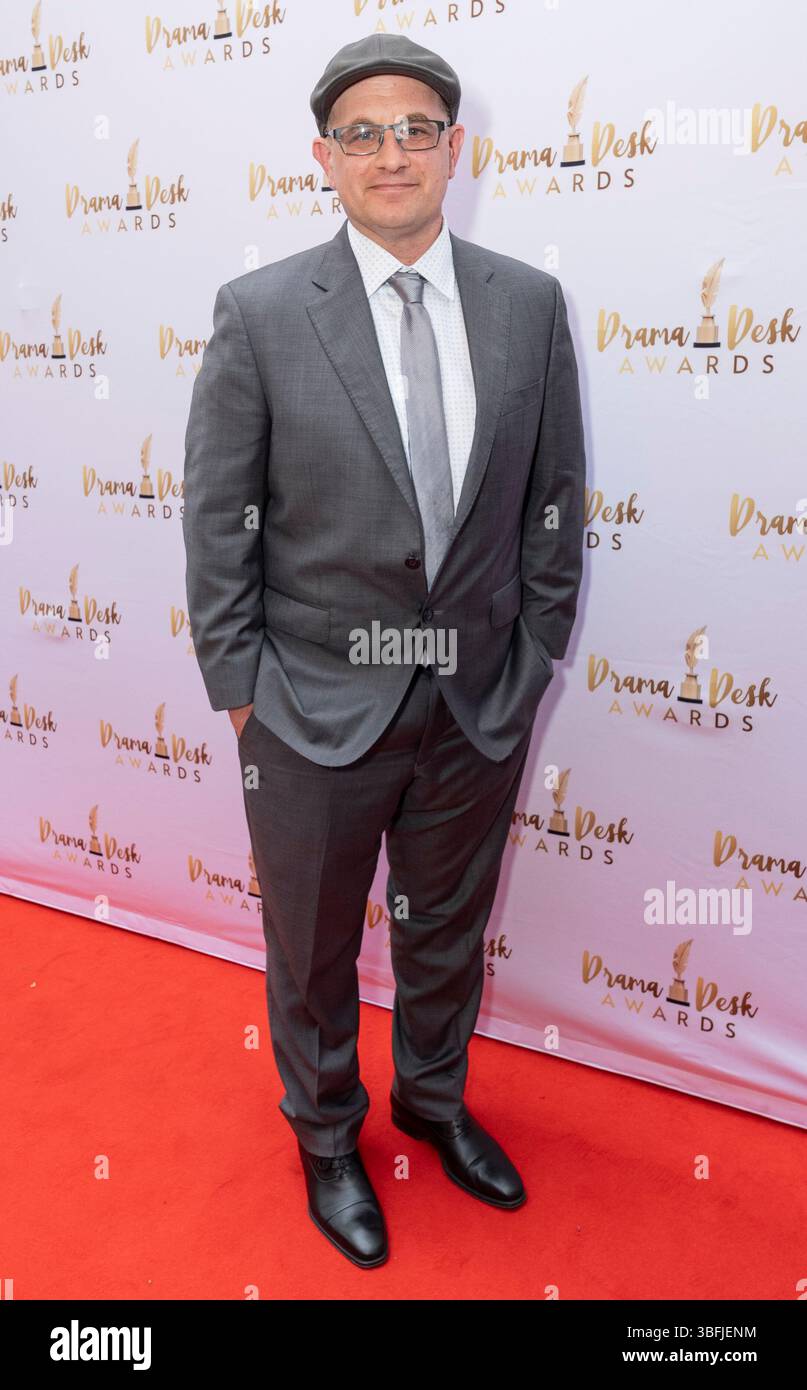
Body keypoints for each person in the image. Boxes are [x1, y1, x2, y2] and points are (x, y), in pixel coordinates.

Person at [182, 32, 586, 1269]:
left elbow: (555, 501)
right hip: (310, 707)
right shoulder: (260, 314)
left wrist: (533, 659)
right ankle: (326, 1137)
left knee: (446, 924)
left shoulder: (527, 301)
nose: (392, 151)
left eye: (417, 128)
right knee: (311, 946)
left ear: (456, 150)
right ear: (324, 159)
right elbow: (217, 514)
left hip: (474, 702)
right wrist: (244, 690)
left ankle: (433, 1097)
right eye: (363, 132)